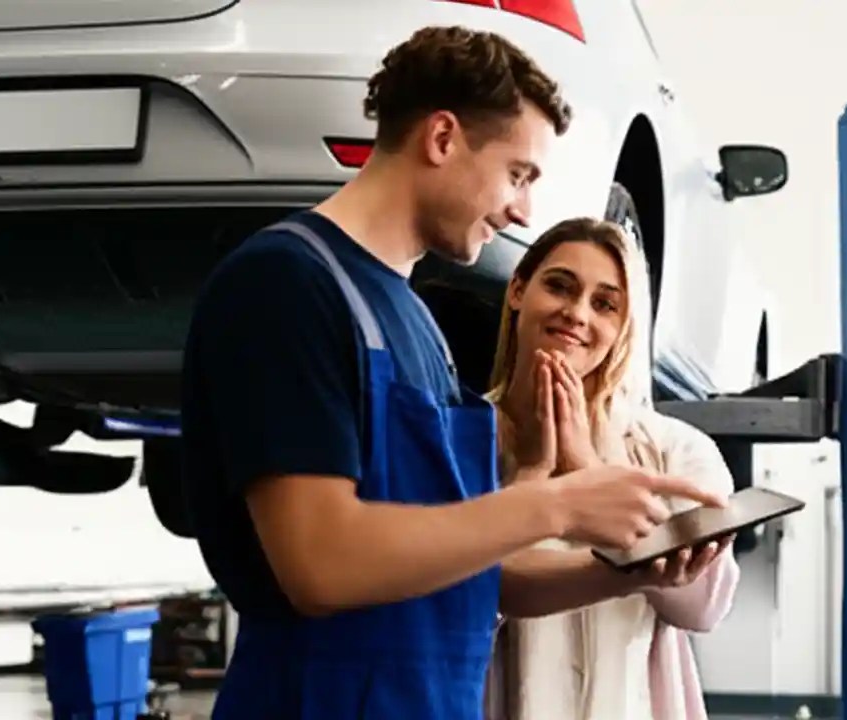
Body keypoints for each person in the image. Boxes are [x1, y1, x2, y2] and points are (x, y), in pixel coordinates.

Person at [178, 25, 725, 720]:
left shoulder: (415, 325)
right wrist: (560, 503)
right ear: (442, 138)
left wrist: (612, 567)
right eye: (518, 174)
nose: (523, 209)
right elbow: (320, 562)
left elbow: (469, 577)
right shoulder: (288, 285)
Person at [483, 217, 742, 720]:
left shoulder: (675, 450)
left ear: (624, 326)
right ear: (517, 291)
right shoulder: (459, 435)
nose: (576, 314)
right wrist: (532, 479)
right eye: (559, 286)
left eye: (605, 304)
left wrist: (588, 469)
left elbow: (703, 605)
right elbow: (454, 604)